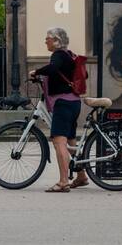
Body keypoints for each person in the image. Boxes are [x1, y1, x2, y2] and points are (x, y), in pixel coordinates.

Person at [28, 27, 90, 193]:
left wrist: (36, 71)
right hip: (74, 102)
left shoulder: (58, 55)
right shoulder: (70, 55)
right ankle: (82, 176)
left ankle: (63, 182)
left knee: (58, 141)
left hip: (63, 103)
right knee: (70, 140)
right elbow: (84, 75)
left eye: (47, 38)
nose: (45, 41)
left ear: (56, 40)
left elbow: (53, 68)